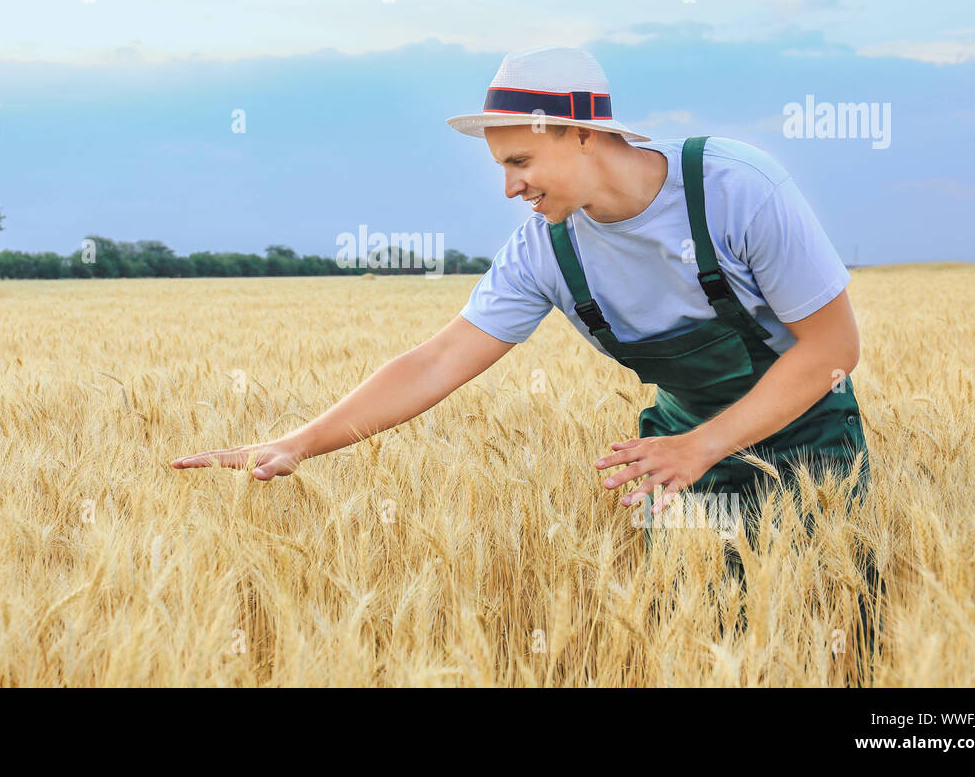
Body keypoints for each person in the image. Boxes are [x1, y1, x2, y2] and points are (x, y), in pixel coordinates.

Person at [170, 45, 881, 675]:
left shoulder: (735, 189)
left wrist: (702, 448)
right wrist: (298, 444)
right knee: (699, 646)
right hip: (675, 451)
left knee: (836, 637)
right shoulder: (545, 248)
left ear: (580, 132)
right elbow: (438, 359)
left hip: (807, 439)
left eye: (520, 161)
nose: (510, 187)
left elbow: (830, 351)